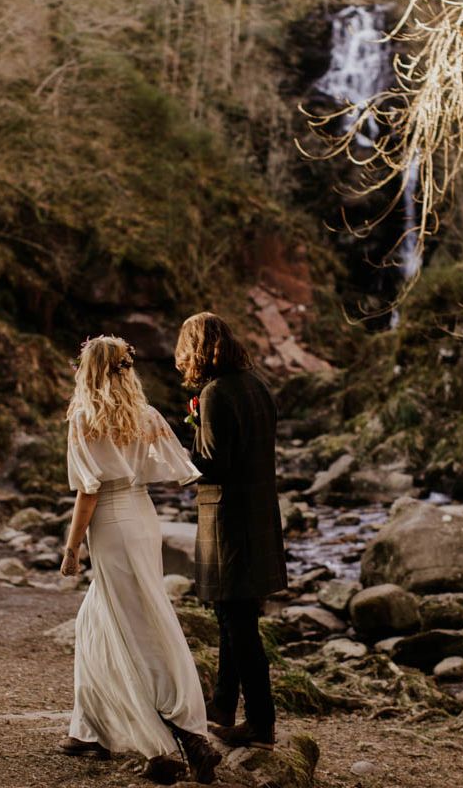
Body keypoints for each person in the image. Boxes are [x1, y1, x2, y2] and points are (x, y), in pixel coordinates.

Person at [59, 335, 221, 784]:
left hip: (109, 523)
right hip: (144, 518)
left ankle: (171, 743)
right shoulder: (144, 415)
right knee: (98, 619)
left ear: (88, 371)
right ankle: (87, 728)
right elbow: (175, 470)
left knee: (134, 625)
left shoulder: (84, 418)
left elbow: (88, 491)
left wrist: (72, 548)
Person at [175, 313, 288, 750]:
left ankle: (261, 724)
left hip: (228, 520)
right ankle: (222, 706)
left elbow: (212, 464)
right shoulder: (257, 385)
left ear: (198, 348)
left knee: (239, 625)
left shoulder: (216, 393)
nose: (181, 358)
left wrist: (178, 448)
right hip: (258, 514)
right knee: (232, 617)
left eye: (185, 349)